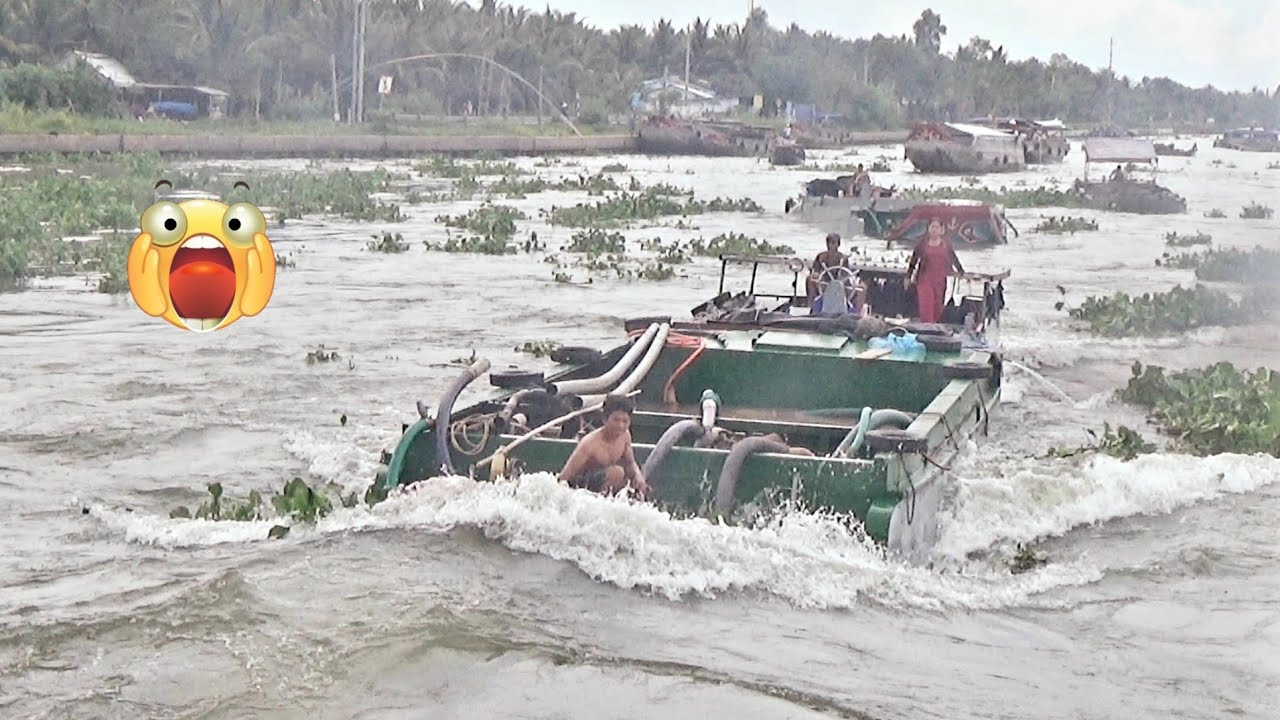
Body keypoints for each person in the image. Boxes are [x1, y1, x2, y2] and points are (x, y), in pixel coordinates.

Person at [557, 394, 649, 499]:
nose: (620, 425)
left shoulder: (625, 435)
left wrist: (638, 476)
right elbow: (564, 477)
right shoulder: (589, 443)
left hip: (608, 485)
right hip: (583, 487)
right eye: (616, 420)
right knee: (616, 472)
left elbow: (630, 463)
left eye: (625, 421)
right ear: (604, 419)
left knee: (638, 479)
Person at [906, 218, 965, 324]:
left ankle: (932, 328)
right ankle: (927, 329)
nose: (934, 230)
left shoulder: (946, 244)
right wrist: (908, 276)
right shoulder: (922, 244)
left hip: (940, 281)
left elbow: (953, 258)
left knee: (938, 308)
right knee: (926, 307)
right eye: (932, 227)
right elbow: (913, 260)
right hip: (924, 281)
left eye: (936, 227)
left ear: (942, 230)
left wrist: (961, 271)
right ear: (928, 229)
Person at [806, 233, 850, 307]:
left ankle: (856, 311)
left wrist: (838, 283)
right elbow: (816, 271)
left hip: (840, 285)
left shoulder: (843, 258)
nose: (830, 245)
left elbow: (845, 274)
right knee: (809, 279)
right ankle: (812, 305)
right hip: (823, 283)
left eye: (833, 242)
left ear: (838, 244)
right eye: (829, 242)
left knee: (861, 288)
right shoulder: (820, 256)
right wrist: (816, 275)